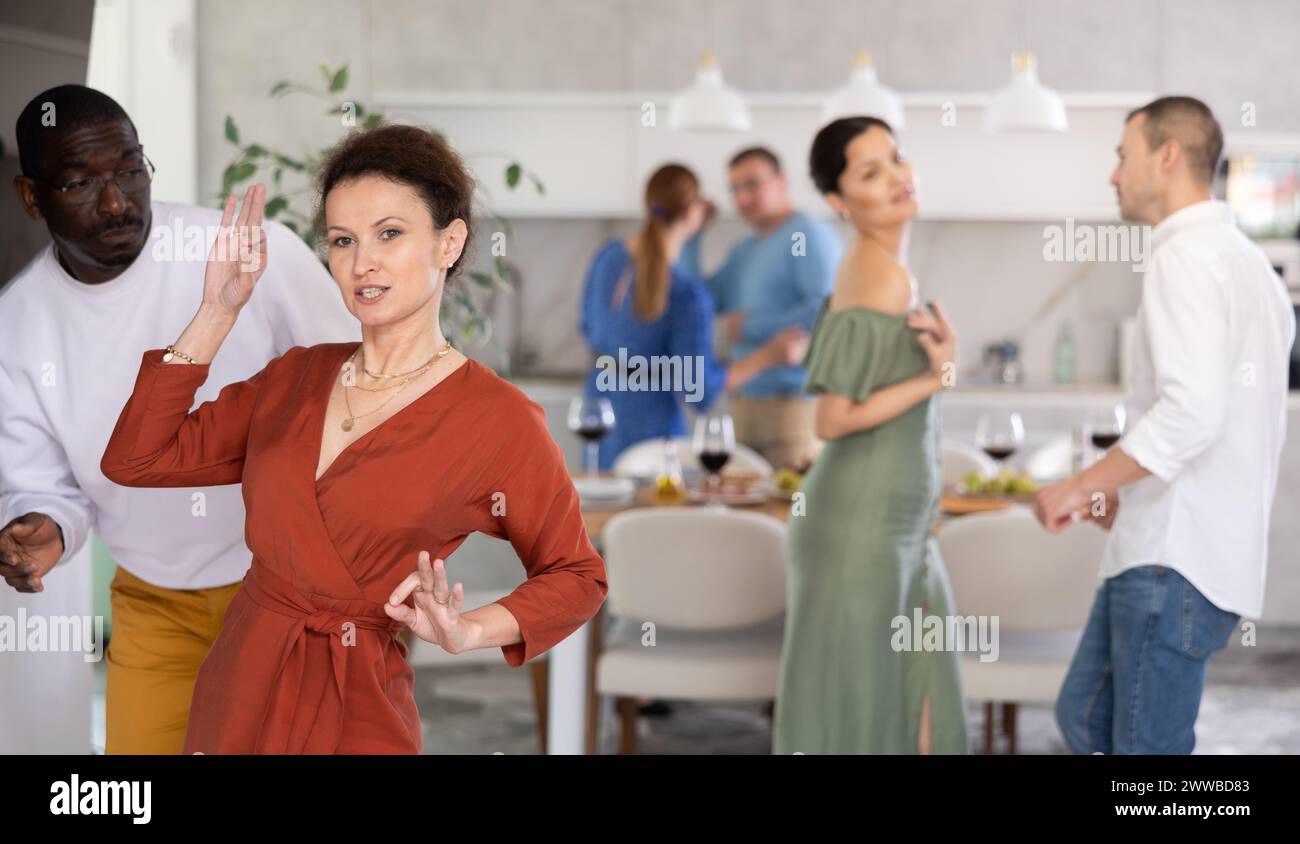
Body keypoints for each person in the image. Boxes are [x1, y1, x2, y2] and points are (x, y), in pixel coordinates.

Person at [99, 124, 608, 754]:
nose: (361, 262)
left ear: (449, 242)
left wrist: (467, 630)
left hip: (357, 707)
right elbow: (136, 459)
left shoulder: (498, 421)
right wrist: (217, 314)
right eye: (342, 240)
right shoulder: (294, 377)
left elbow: (577, 576)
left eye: (389, 233)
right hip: (239, 688)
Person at [0, 85, 358, 753]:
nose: (116, 202)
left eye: (130, 171)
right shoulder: (17, 325)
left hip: (288, 588)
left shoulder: (248, 249)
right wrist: (44, 526)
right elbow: (47, 486)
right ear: (32, 196)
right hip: (154, 598)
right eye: (81, 183)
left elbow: (359, 381)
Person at [1035, 96, 1295, 754]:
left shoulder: (1183, 257)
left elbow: (1192, 410)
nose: (1114, 175)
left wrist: (1078, 484)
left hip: (1174, 560)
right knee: (1085, 717)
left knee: (1145, 756)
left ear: (1167, 156)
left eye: (1123, 156)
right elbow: (1209, 413)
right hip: (1186, 549)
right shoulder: (1247, 264)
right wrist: (1123, 484)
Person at [774, 117, 967, 754]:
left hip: (893, 527)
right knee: (873, 706)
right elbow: (832, 418)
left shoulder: (884, 268)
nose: (896, 177)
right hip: (862, 530)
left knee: (917, 688)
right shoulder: (878, 275)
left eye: (896, 158)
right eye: (870, 171)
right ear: (839, 202)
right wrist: (938, 376)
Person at [579, 163, 807, 470]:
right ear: (691, 213)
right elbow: (699, 389)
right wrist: (769, 355)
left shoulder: (608, 257)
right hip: (652, 434)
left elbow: (587, 326)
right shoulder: (687, 295)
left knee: (604, 512)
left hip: (600, 417)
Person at [680, 146, 843, 470]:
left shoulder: (806, 235)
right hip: (744, 407)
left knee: (791, 513)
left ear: (781, 181)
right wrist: (693, 234)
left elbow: (827, 309)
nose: (742, 198)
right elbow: (698, 299)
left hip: (793, 409)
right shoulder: (746, 250)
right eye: (735, 189)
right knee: (744, 515)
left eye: (752, 185)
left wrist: (751, 325)